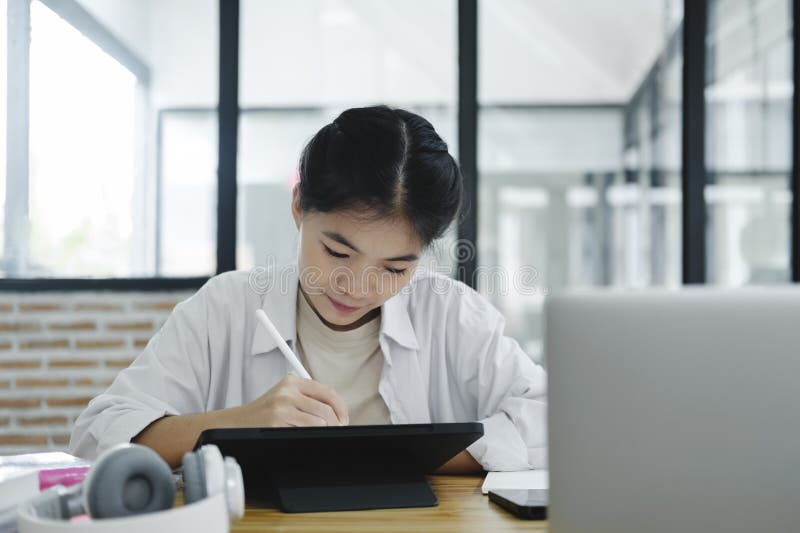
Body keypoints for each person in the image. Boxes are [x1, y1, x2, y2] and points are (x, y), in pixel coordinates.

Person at [69, 106, 546, 473]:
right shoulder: (227, 307)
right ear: (299, 207)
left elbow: (553, 421)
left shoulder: (451, 313)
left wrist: (406, 455)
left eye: (395, 268)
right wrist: (241, 424)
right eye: (338, 253)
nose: (358, 286)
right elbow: (96, 438)